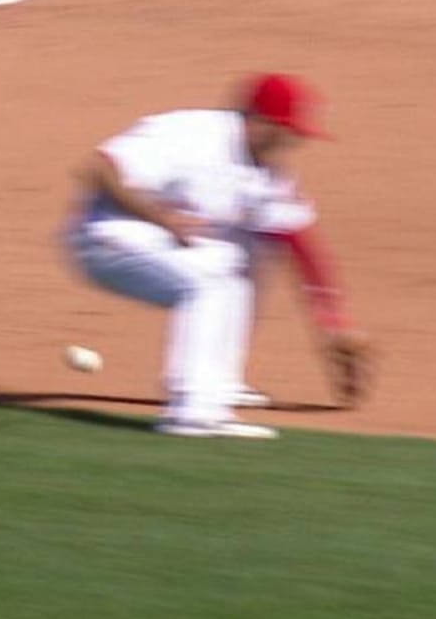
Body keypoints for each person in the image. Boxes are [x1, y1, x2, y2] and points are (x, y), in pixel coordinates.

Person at [61, 73, 365, 439]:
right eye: (290, 130)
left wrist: (335, 326)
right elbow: (98, 170)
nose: (295, 141)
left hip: (154, 242)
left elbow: (297, 238)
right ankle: (195, 414)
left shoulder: (268, 172)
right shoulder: (190, 135)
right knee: (212, 285)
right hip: (104, 238)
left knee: (246, 254)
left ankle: (216, 382)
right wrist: (162, 217)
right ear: (261, 122)